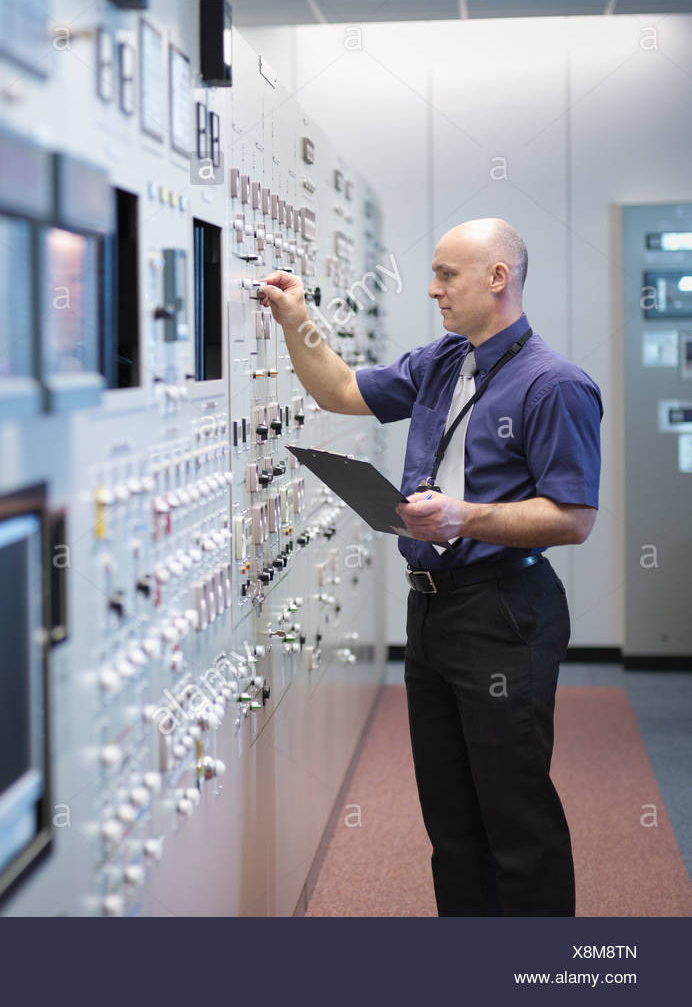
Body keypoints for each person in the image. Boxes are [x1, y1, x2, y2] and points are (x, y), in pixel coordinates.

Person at [258, 217, 602, 916]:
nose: (432, 288)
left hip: (504, 609)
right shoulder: (444, 361)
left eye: (447, 274)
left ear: (497, 278)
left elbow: (574, 517)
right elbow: (342, 391)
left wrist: (463, 516)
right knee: (450, 821)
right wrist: (297, 319)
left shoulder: (555, 385)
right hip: (434, 611)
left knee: (515, 817)